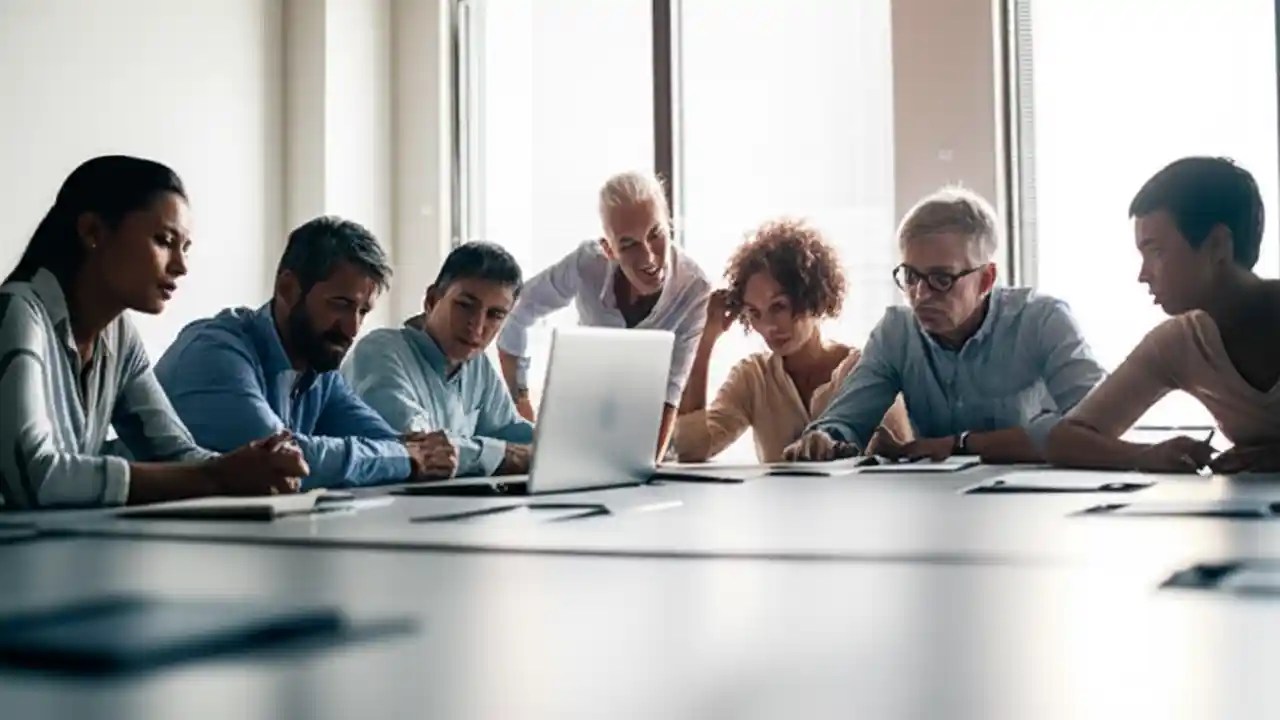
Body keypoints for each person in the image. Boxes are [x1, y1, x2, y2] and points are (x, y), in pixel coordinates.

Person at [0, 155, 307, 509]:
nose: (181, 266)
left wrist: (250, 467)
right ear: (93, 232)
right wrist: (216, 476)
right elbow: (35, 478)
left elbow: (173, 452)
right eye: (163, 241)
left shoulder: (118, 335)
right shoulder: (17, 313)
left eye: (185, 248)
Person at [784, 186, 1105, 463]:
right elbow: (846, 421)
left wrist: (963, 444)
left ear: (986, 279)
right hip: (938, 504)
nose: (920, 295)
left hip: (1040, 502)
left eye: (941, 278)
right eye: (911, 276)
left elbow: (1100, 421)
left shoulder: (1042, 320)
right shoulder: (897, 334)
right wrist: (824, 438)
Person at [154, 216, 456, 489]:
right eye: (340, 304)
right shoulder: (214, 352)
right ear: (287, 288)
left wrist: (414, 452)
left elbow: (390, 442)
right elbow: (282, 460)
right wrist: (404, 457)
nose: (352, 329)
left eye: (363, 311)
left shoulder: (319, 369)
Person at [1047, 157, 1280, 474]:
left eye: (1156, 251)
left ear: (1217, 245)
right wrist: (1142, 455)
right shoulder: (1180, 341)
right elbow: (1065, 439)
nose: (1144, 275)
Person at [495, 171, 711, 455]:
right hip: (575, 416)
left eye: (655, 234)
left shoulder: (693, 289)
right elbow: (516, 309)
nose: (648, 257)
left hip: (642, 428)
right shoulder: (588, 264)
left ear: (669, 225)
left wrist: (645, 467)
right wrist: (520, 399)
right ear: (608, 249)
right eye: (629, 244)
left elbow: (670, 391)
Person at [675, 218, 912, 463]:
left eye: (779, 306)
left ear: (813, 298)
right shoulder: (753, 377)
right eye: (754, 313)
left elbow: (900, 459)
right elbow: (691, 451)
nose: (768, 327)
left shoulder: (867, 372)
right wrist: (705, 341)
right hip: (777, 503)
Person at [344, 242, 534, 476]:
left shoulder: (477, 365)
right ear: (432, 300)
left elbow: (517, 434)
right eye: (465, 306)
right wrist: (502, 455)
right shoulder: (380, 351)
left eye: (495, 315)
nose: (477, 326)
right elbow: (418, 446)